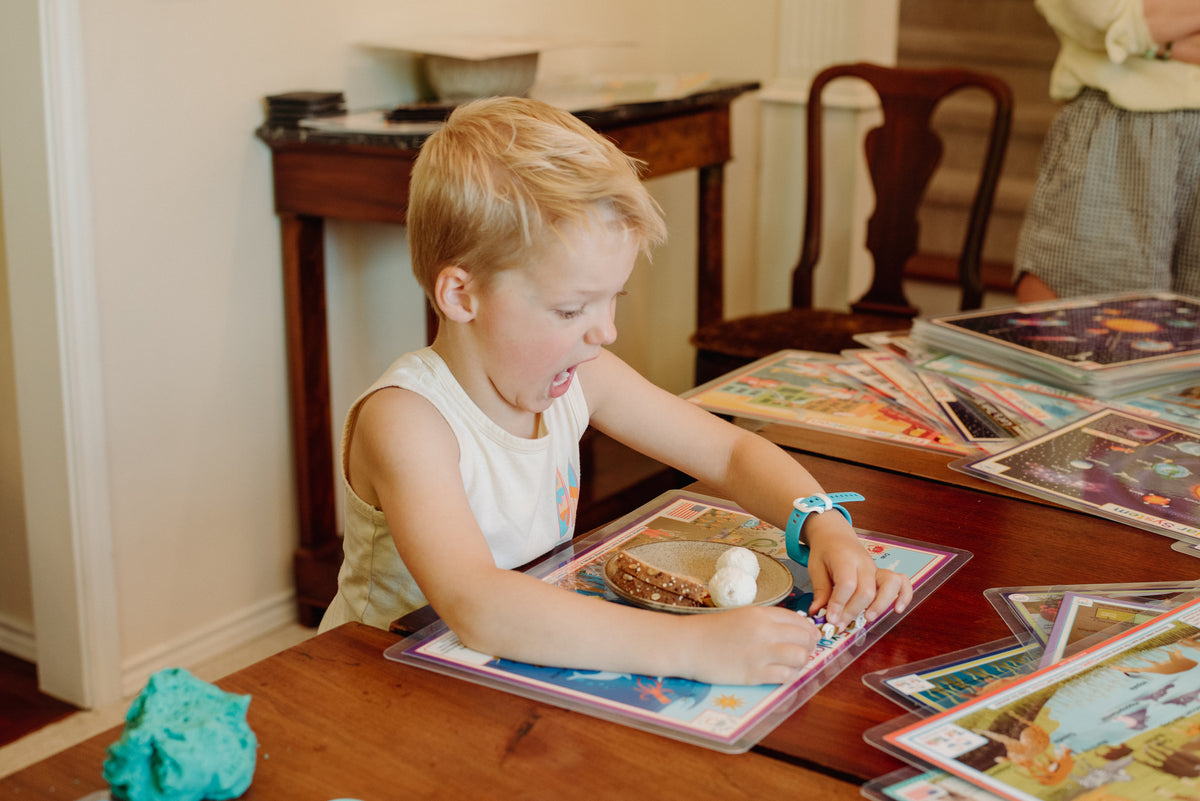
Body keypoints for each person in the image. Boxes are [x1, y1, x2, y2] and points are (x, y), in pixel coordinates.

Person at [317, 96, 911, 686]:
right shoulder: (406, 420)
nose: (606, 332)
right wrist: (692, 646)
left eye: (612, 300)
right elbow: (479, 604)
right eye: (573, 308)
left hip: (507, 670)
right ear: (462, 295)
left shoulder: (582, 376)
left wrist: (824, 525)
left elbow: (731, 453)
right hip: (379, 687)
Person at [1014, 0, 1200, 303]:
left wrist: (1144, 40)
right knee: (1083, 334)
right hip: (1120, 128)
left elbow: (1128, 22)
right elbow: (1100, 15)